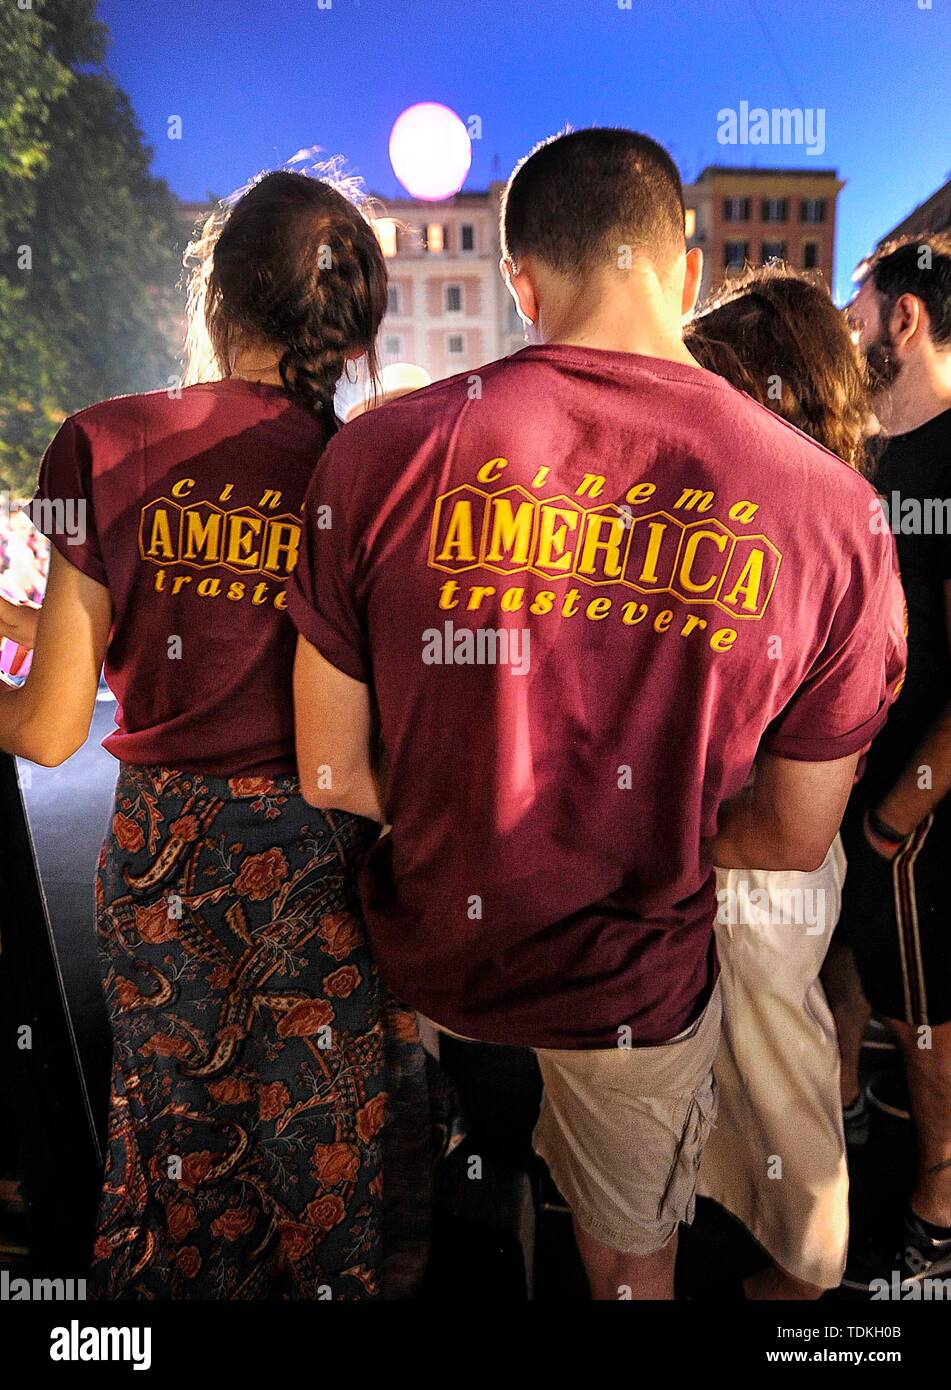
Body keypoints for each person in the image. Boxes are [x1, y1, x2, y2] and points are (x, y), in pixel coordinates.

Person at [286, 128, 901, 1300]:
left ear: (521, 282)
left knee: (460, 1229)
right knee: (628, 1264)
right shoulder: (831, 512)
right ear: (684, 266)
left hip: (438, 967)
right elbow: (791, 835)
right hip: (632, 987)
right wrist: (646, 831)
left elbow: (327, 770)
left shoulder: (380, 456)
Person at [0, 168, 425, 1299]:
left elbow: (49, 729)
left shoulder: (100, 443)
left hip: (165, 862)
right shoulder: (374, 467)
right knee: (322, 1155)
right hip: (320, 857)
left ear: (218, 293)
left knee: (178, 1162)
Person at [685, 266, 905, 1299]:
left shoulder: (785, 526)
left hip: (757, 862)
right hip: (762, 863)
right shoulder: (833, 513)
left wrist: (657, 832)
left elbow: (787, 827)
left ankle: (805, 1277)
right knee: (761, 1079)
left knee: (783, 1086)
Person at [828, 232, 951, 1290]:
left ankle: (938, 1225)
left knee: (930, 1018)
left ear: (904, 319)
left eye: (860, 308)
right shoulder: (874, 460)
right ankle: (854, 1122)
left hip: (917, 821)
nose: (849, 326)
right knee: (866, 984)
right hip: (865, 806)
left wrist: (897, 817)